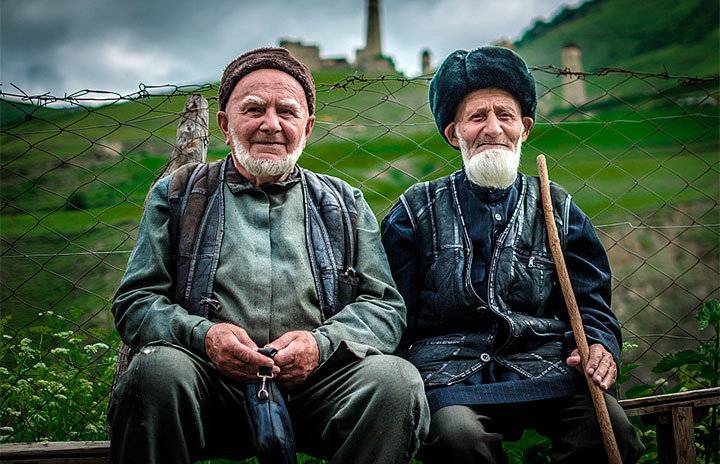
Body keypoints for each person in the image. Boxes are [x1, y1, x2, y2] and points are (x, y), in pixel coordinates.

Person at [108, 47, 429, 464]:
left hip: (319, 388)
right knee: (156, 371)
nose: (271, 125)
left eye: (287, 112)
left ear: (308, 127)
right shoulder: (178, 195)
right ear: (225, 124)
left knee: (396, 381)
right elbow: (136, 301)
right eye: (254, 109)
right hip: (208, 384)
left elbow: (384, 306)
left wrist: (321, 344)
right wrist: (203, 337)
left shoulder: (345, 202)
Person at [381, 46, 644, 463]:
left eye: (505, 116)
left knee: (611, 431)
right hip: (447, 375)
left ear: (524, 128)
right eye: (476, 117)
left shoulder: (556, 206)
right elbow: (393, 311)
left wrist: (599, 343)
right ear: (454, 134)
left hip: (544, 366)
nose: (492, 129)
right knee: (460, 441)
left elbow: (591, 300)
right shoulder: (414, 211)